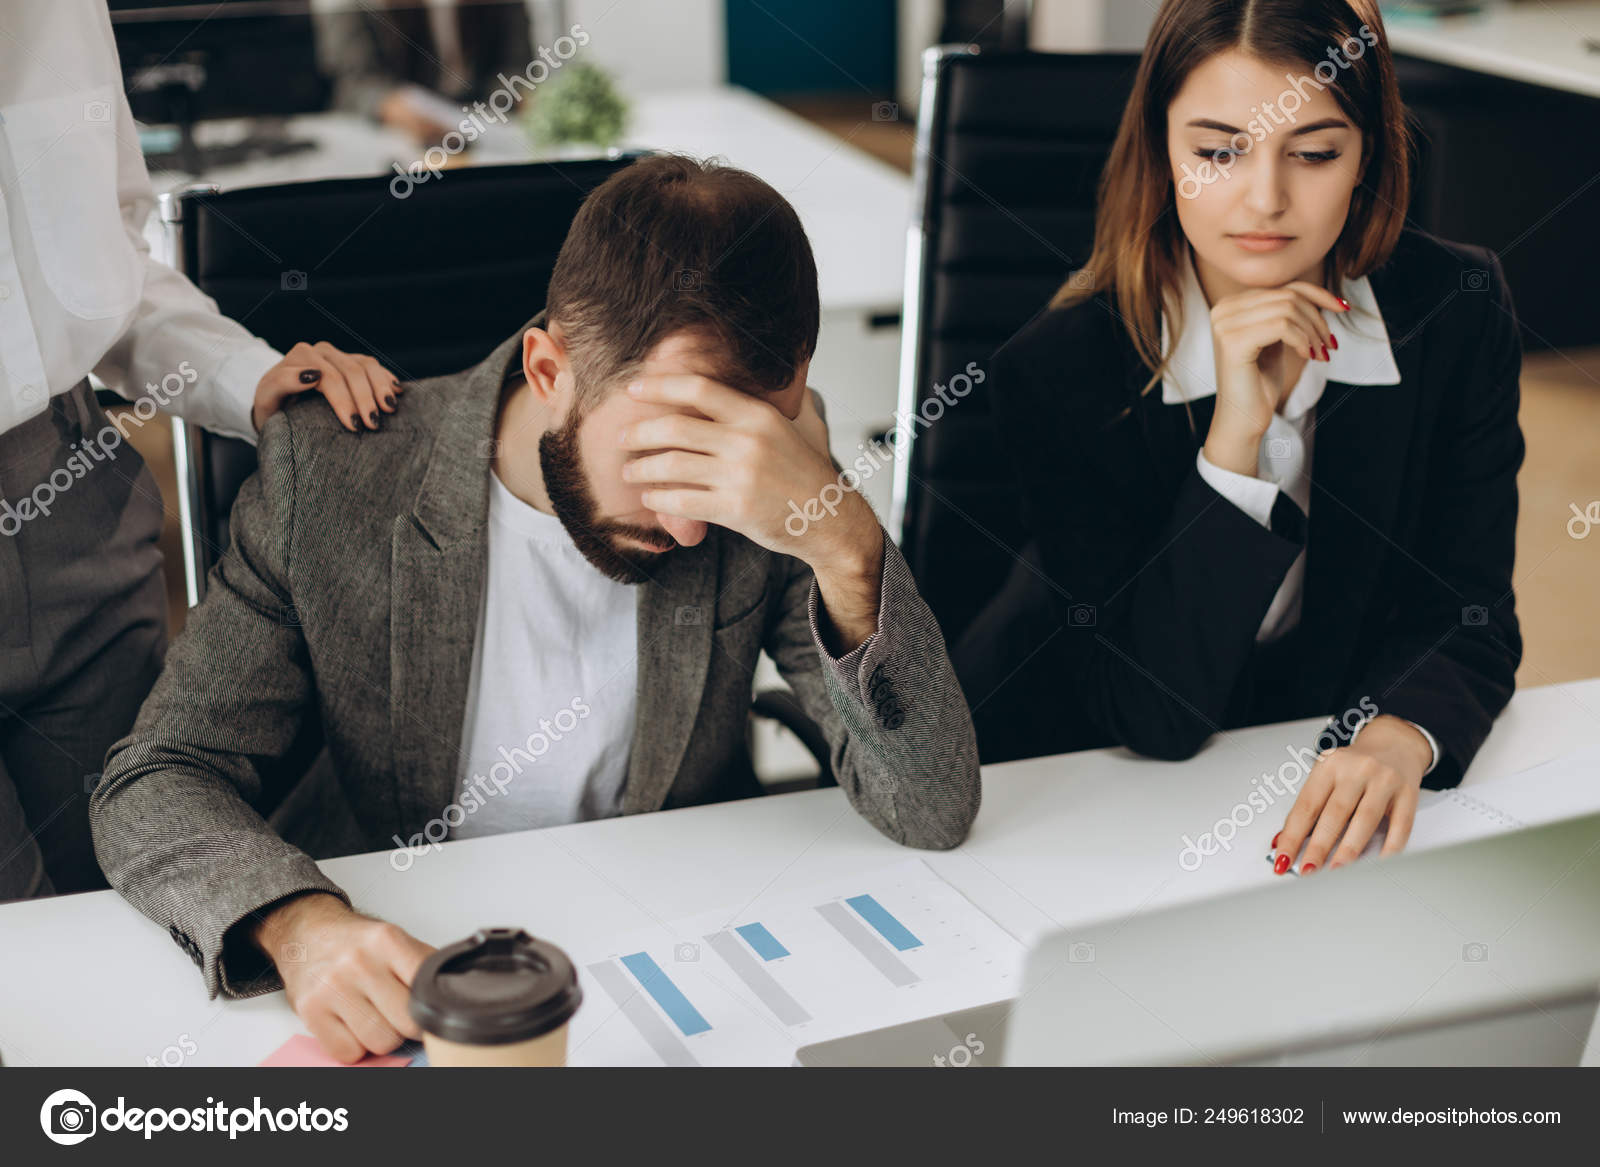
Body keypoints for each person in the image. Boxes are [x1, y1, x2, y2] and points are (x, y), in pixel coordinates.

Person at [91, 154, 982, 1063]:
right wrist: (294, 923)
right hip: (417, 965)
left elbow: (932, 807)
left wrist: (841, 539)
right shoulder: (329, 478)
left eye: (715, 469)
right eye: (657, 457)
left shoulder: (766, 479)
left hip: (685, 959)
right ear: (550, 369)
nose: (688, 526)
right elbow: (156, 777)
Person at [956, 0, 1521, 875]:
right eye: (1218, 150)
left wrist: (1400, 733)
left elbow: (1469, 608)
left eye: (1315, 152)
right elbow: (1152, 712)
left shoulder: (1456, 310)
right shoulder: (1060, 366)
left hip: (1303, 805)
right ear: (1161, 151)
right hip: (1077, 809)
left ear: (1369, 153)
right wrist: (1234, 441)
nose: (1265, 199)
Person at [0, 0, 396, 900]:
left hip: (80, 517)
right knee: (17, 961)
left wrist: (245, 375)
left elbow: (106, 266)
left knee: (135, 894)